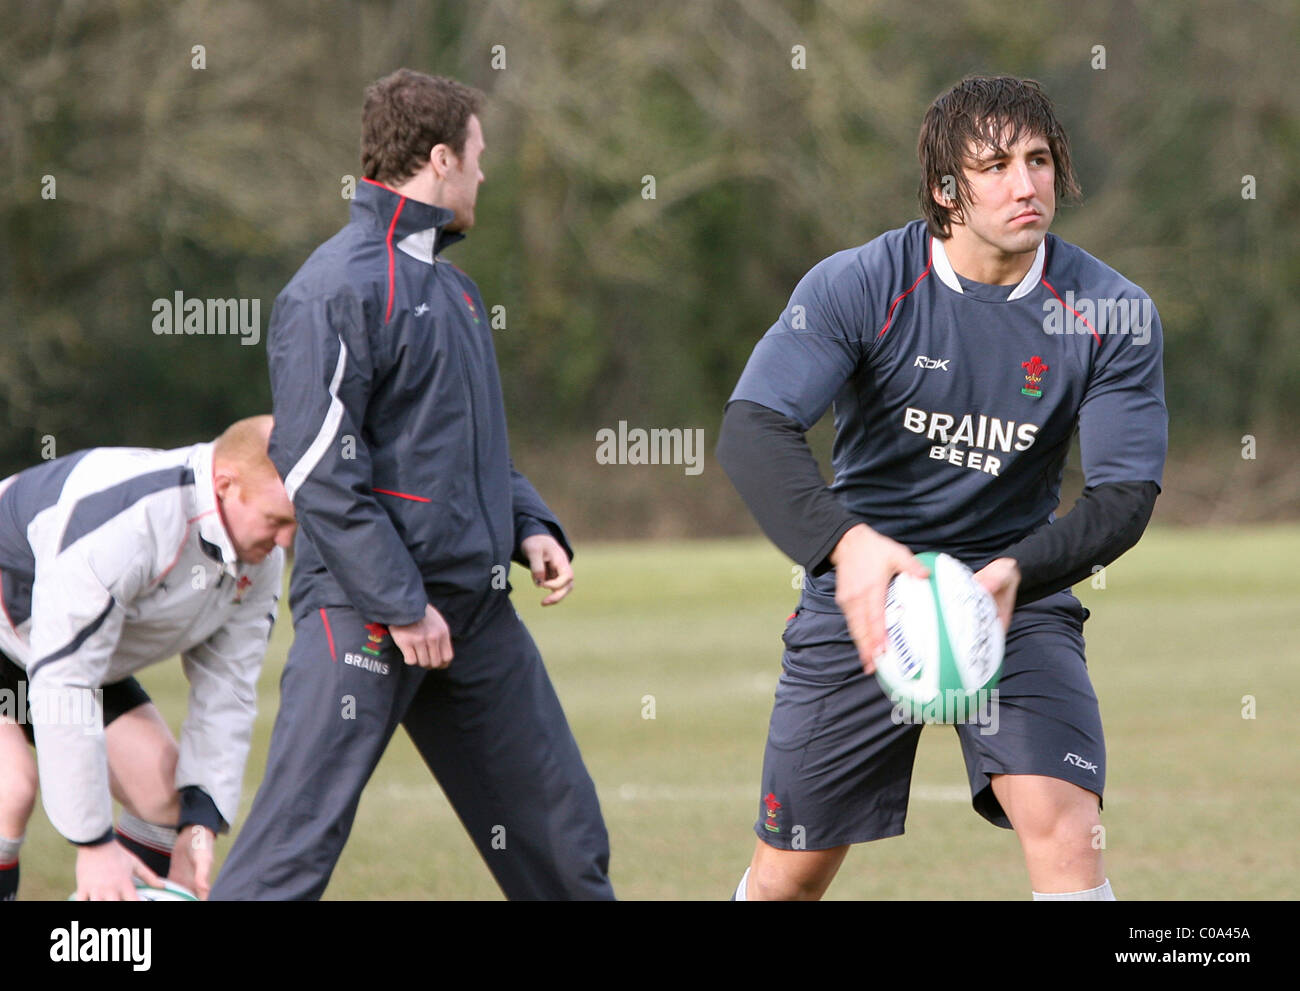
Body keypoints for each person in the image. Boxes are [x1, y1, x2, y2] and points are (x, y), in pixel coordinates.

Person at [716, 75, 1166, 901]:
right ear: (944, 188)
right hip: (866, 598)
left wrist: (1015, 573)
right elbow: (754, 428)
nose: (1024, 185)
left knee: (1067, 827)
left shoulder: (1110, 309)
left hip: (1019, 591)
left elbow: (1123, 496)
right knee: (790, 876)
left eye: (1038, 160)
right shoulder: (860, 285)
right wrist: (846, 545)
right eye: (994, 165)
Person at [210, 69, 613, 901]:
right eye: (477, 155)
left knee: (565, 847)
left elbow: (475, 452)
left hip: (473, 612)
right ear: (440, 158)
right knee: (291, 853)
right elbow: (319, 470)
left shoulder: (456, 291)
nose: (484, 173)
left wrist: (529, 524)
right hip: (365, 613)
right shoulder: (331, 290)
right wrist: (400, 603)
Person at [0, 415, 292, 900]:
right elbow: (62, 683)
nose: (286, 540)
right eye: (277, 521)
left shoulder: (258, 559)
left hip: (52, 649)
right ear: (225, 485)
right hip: (36, 650)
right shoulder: (129, 519)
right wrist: (93, 845)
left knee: (165, 800)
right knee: (10, 790)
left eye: (293, 524)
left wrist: (200, 824)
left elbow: (228, 690)